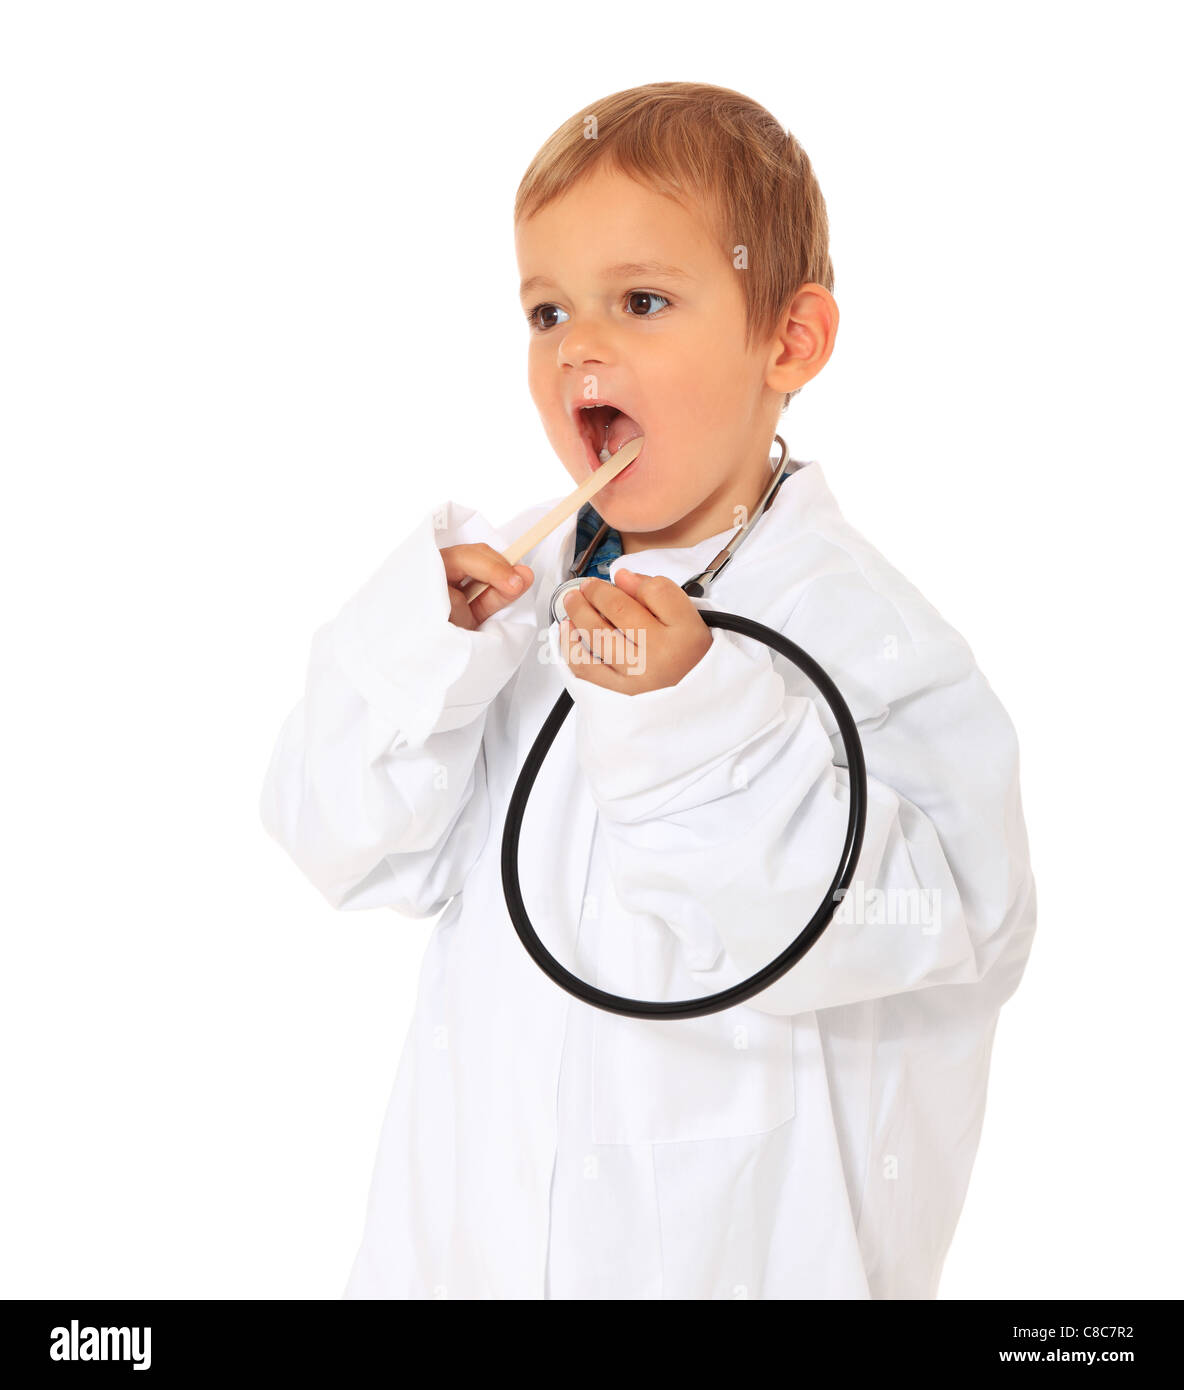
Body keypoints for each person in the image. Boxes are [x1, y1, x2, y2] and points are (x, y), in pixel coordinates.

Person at [258, 81, 1037, 1300]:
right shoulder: (518, 598)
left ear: (788, 340)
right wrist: (426, 650)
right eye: (545, 309)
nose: (578, 346)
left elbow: (946, 929)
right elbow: (344, 845)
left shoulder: (867, 636)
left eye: (642, 300)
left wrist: (694, 721)